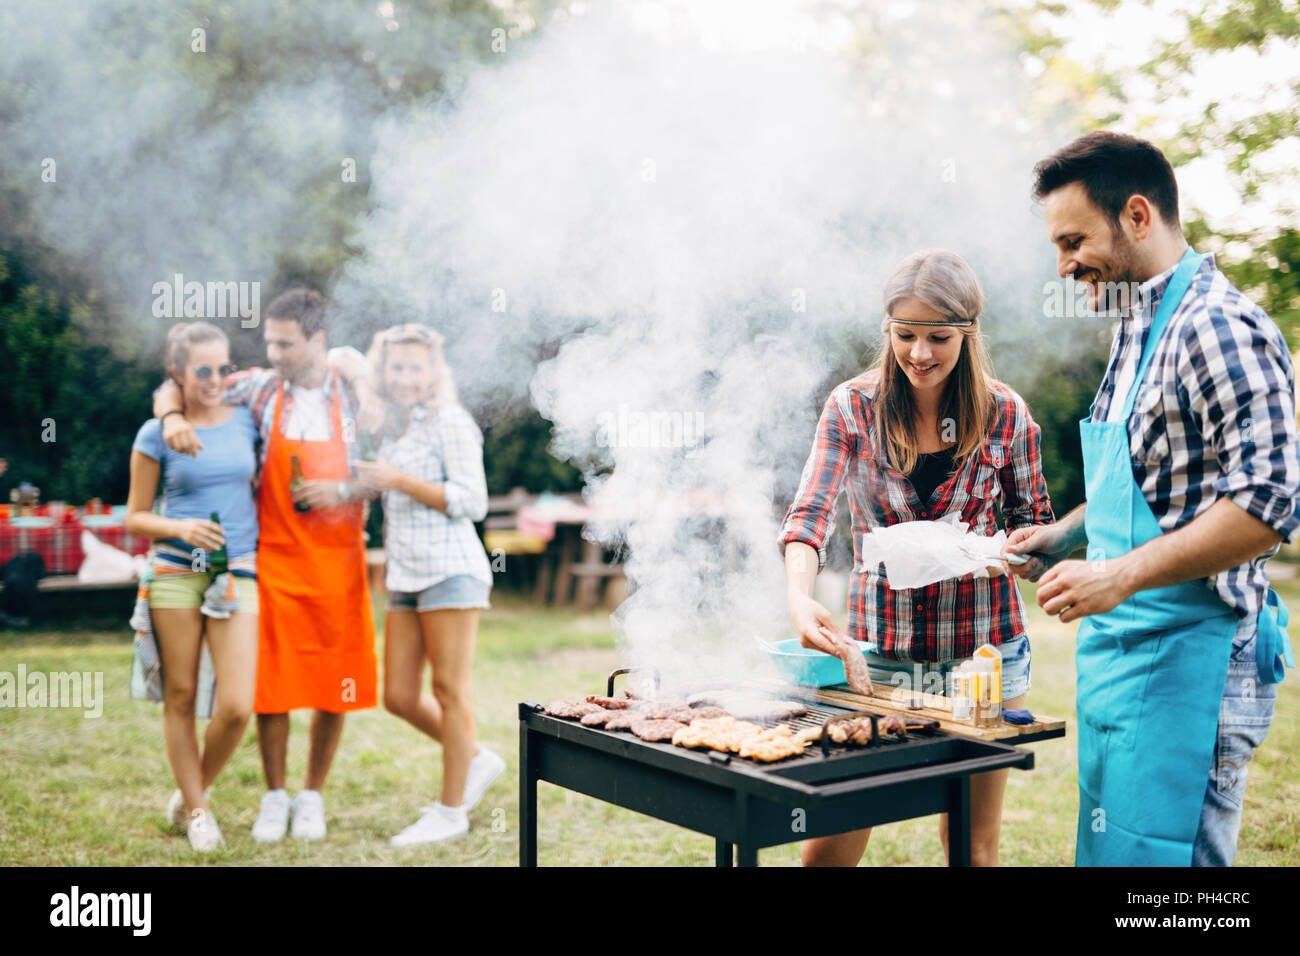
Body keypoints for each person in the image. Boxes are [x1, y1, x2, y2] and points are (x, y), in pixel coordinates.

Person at [1007, 131, 1298, 866]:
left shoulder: (1218, 327)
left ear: (1137, 215)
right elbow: (1148, 483)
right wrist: (1067, 535)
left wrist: (1119, 574)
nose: (1065, 265)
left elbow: (1268, 505)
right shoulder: (1135, 327)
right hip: (1127, 660)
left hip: (1195, 665)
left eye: (1074, 240)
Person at [781, 249, 1054, 867]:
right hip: (879, 652)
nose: (921, 354)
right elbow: (810, 517)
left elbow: (1034, 525)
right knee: (832, 841)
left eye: (939, 336)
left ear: (968, 334)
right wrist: (799, 594)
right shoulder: (852, 407)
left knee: (971, 845)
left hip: (986, 656)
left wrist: (1016, 553)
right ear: (887, 331)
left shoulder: (1007, 414)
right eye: (905, 335)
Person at [154, 289, 381, 842]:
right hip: (273, 557)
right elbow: (176, 382)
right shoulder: (258, 388)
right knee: (271, 685)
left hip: (339, 563)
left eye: (285, 343)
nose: (273, 351)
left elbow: (387, 471)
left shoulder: (353, 394)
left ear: (318, 341)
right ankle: (274, 795)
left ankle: (312, 796)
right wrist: (167, 416)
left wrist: (342, 488)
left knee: (335, 683)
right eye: (270, 341)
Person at [349, 323, 505, 846]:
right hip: (406, 574)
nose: (406, 376)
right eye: (396, 366)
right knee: (396, 695)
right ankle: (477, 758)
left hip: (451, 571)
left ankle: (451, 811)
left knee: (448, 692)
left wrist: (396, 481)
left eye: (417, 366)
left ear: (435, 371)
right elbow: (339, 359)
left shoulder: (451, 422)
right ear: (383, 369)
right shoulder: (392, 427)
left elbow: (472, 501)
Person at [126, 322, 260, 851]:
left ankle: (190, 792)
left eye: (223, 368)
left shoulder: (249, 419)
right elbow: (135, 516)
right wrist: (179, 527)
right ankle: (199, 810)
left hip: (237, 571)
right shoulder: (154, 432)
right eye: (201, 371)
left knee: (237, 705)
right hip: (176, 571)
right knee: (180, 696)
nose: (214, 379)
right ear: (176, 374)